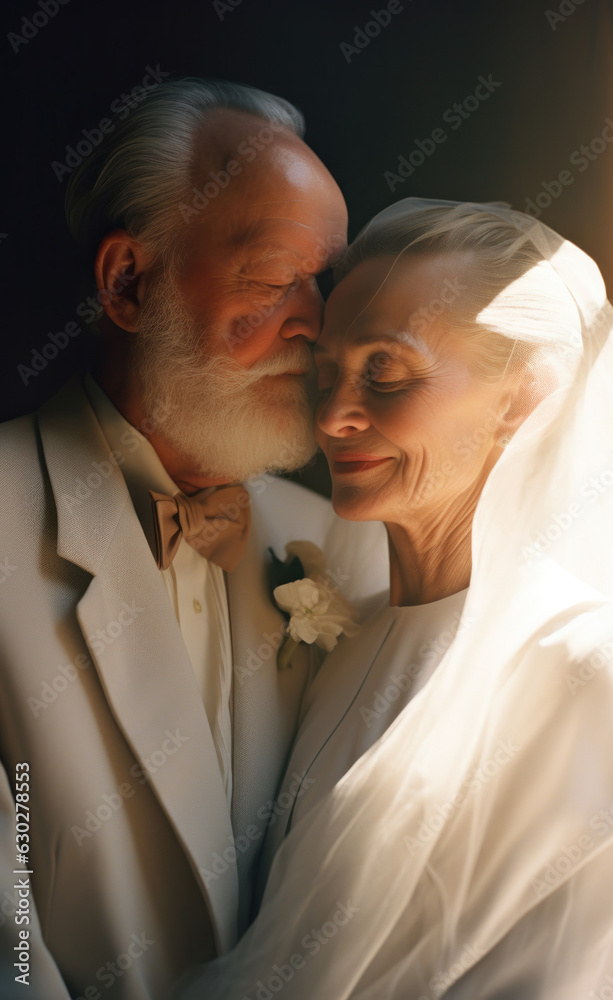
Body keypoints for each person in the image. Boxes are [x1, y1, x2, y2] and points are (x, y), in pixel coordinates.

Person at [176, 199, 613, 999]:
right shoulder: (352, 638)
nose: (333, 415)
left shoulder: (578, 663)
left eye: (385, 371)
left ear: (518, 401)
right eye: (327, 371)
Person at [0, 79, 388, 999]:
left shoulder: (343, 543)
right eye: (272, 280)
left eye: (323, 282)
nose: (316, 324)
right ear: (127, 283)